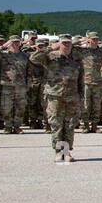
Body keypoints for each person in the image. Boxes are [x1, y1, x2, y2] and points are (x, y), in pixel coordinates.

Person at [31, 34, 82, 162]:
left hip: (71, 96)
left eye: (68, 43)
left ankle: (66, 151)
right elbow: (33, 58)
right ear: (59, 44)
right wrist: (48, 48)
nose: (66, 45)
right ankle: (59, 152)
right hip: (54, 95)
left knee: (69, 124)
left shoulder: (76, 58)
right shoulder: (50, 56)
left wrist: (80, 95)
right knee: (56, 124)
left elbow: (80, 78)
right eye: (63, 43)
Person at [0, 36, 30, 134]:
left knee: (21, 107)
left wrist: (28, 83)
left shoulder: (24, 56)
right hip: (7, 84)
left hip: (21, 85)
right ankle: (8, 126)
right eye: (13, 42)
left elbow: (29, 71)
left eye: (17, 42)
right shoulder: (4, 55)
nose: (15, 44)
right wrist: (3, 46)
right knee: (6, 107)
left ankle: (17, 126)